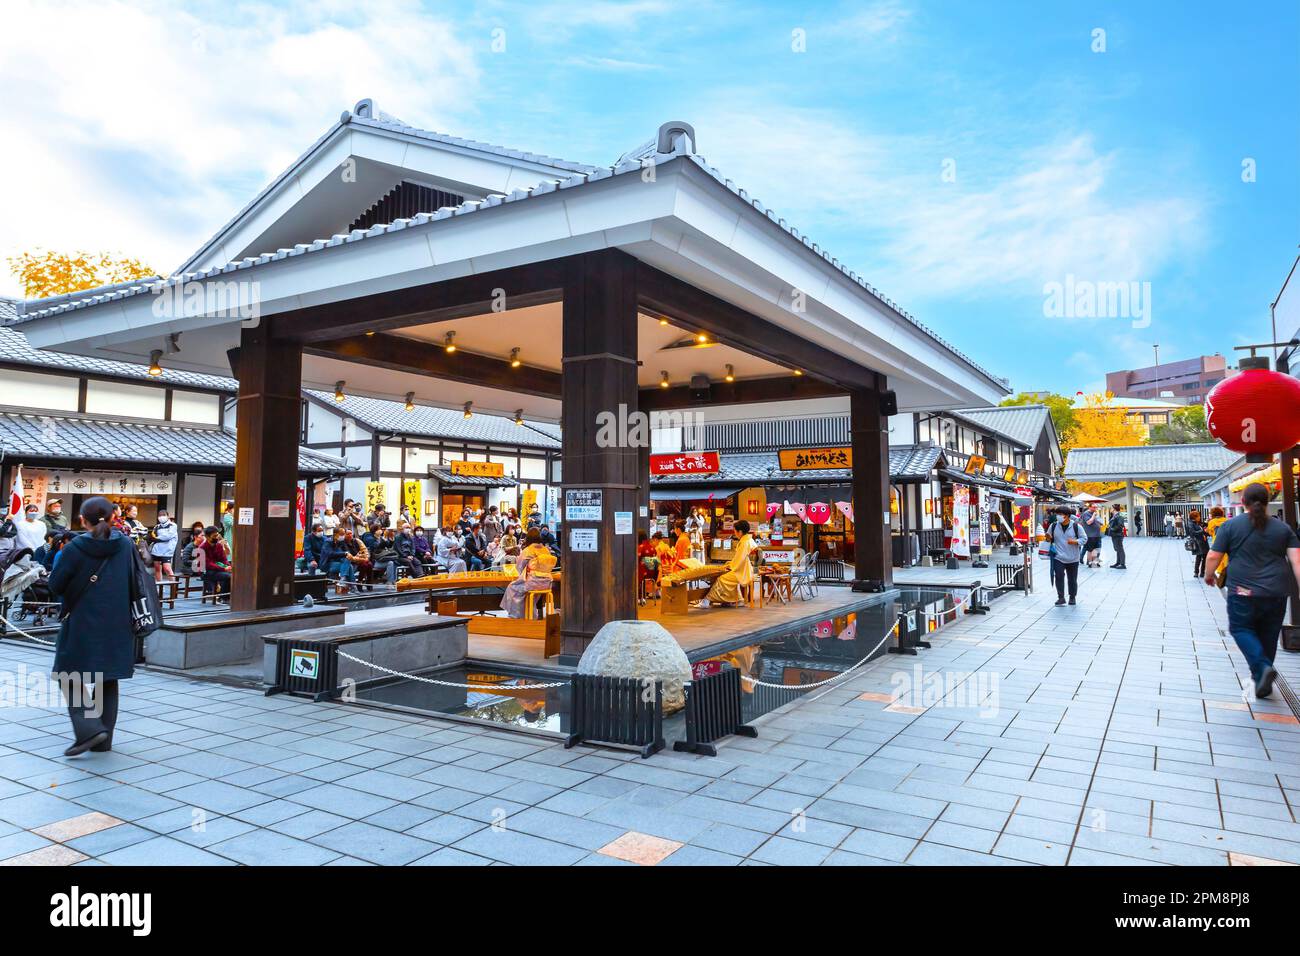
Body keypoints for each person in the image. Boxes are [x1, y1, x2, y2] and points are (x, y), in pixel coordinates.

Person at [48, 496, 137, 756]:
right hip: (119, 620)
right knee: (107, 677)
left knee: (68, 673)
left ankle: (88, 729)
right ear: (112, 517)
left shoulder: (74, 548)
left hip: (82, 620)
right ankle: (103, 740)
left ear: (82, 520)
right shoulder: (125, 544)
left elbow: (56, 585)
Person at [1204, 483, 1300, 699]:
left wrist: (1209, 575)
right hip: (1276, 591)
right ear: (1266, 501)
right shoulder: (1283, 528)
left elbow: (1213, 556)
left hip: (1243, 590)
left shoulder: (1231, 526)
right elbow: (1297, 561)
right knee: (1269, 634)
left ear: (1243, 501)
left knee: (1241, 629)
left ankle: (1262, 667)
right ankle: (1261, 680)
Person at [500, 528, 557, 617]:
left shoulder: (528, 550)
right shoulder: (545, 549)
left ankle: (516, 615)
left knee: (512, 587)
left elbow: (519, 567)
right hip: (546, 583)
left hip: (532, 583)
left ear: (528, 537)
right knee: (530, 595)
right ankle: (530, 614)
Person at [699, 520, 756, 608]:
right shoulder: (749, 539)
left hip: (742, 571)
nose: (735, 533)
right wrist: (730, 563)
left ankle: (708, 599)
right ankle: (737, 599)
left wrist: (731, 566)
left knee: (722, 579)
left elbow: (739, 560)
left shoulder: (744, 542)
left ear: (740, 532)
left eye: (735, 531)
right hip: (744, 568)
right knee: (726, 576)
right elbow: (739, 558)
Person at [1049, 506, 1083, 606]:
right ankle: (1061, 597)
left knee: (1072, 579)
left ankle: (1072, 597)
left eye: (1060, 514)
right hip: (1058, 557)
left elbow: (1084, 539)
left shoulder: (1076, 526)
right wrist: (1048, 538)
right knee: (1059, 577)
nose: (1058, 516)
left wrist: (1075, 541)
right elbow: (1049, 538)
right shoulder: (1053, 526)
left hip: (1073, 557)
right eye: (1057, 514)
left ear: (1067, 516)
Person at [199, 526, 232, 598]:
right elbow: (208, 564)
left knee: (233, 574)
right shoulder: (202, 548)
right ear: (207, 537)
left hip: (217, 569)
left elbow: (223, 559)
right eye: (214, 536)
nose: (217, 537)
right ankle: (223, 597)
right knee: (227, 576)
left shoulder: (219, 545)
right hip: (206, 571)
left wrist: (228, 566)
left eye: (217, 535)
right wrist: (223, 568)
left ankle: (228, 596)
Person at [148, 509, 178, 582]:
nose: (161, 517)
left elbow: (167, 536)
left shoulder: (173, 525)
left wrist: (157, 539)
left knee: (167, 568)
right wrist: (155, 538)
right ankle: (159, 587)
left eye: (163, 515)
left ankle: (173, 587)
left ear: (168, 516)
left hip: (167, 550)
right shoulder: (157, 526)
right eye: (159, 515)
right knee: (157, 568)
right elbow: (152, 536)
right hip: (156, 550)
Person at [1186, 509, 1210, 578]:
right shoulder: (1191, 523)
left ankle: (1202, 572)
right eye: (1198, 516)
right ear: (1194, 517)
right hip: (1198, 543)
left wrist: (1206, 530)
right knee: (1199, 557)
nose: (1199, 517)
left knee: (1205, 558)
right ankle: (1196, 572)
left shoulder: (1198, 522)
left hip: (1204, 542)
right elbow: (1193, 533)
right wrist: (1202, 530)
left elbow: (1204, 529)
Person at [1080, 503, 1103, 568]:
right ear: (1089, 507)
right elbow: (1089, 522)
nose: (1095, 509)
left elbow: (1100, 522)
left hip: (1097, 535)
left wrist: (1098, 520)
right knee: (1090, 550)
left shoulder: (1095, 514)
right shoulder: (1086, 514)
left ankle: (1095, 562)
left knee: (1096, 549)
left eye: (1096, 507)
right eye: (1093, 507)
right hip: (1090, 535)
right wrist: (1093, 516)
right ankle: (1090, 563)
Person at [1107, 504, 1127, 569]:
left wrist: (1112, 529)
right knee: (1117, 549)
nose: (1110, 509)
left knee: (1120, 549)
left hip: (1117, 535)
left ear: (1114, 509)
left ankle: (1122, 564)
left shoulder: (1119, 516)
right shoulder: (1115, 515)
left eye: (1111, 508)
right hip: (1115, 535)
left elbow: (1120, 525)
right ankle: (1118, 563)